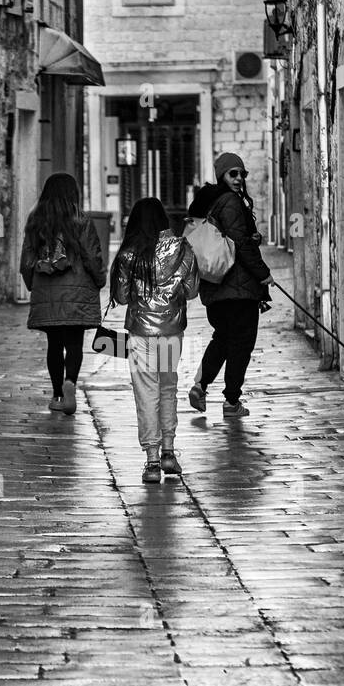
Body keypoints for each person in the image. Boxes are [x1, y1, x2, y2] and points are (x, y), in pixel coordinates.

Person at [111, 197, 199, 483]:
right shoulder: (182, 247)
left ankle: (151, 460)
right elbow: (193, 289)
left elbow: (123, 297)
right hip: (172, 330)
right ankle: (169, 452)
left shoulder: (129, 254)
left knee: (146, 392)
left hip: (140, 333)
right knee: (168, 388)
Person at [186, 152, 272, 418]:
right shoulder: (232, 202)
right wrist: (263, 273)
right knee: (241, 344)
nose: (238, 179)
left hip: (215, 290)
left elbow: (230, 237)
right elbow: (240, 245)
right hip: (238, 290)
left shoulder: (210, 202)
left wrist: (250, 236)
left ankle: (200, 386)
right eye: (233, 173)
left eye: (242, 174)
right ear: (221, 174)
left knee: (223, 338)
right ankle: (232, 402)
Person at [20, 172, 106, 414]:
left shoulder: (35, 221)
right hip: (77, 294)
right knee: (75, 343)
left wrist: (33, 285)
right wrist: (100, 280)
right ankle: (71, 383)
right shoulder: (81, 220)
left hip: (47, 293)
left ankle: (57, 395)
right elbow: (92, 255)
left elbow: (26, 261)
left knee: (54, 345)